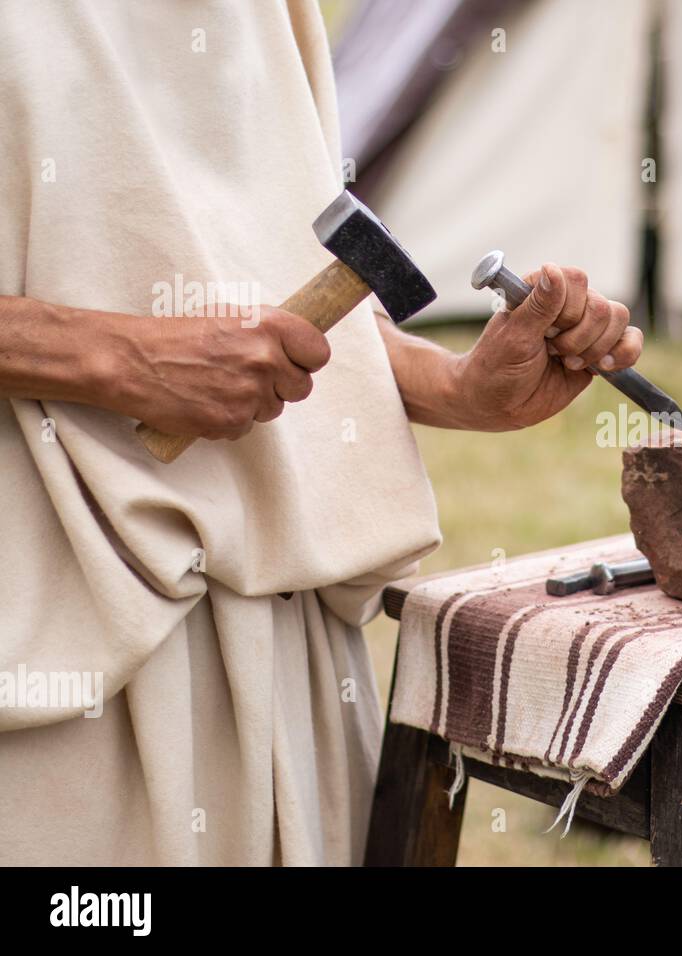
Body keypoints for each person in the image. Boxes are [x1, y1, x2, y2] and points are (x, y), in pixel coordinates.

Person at [0, 0, 640, 864]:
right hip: (56, 626)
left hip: (281, 642)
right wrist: (123, 358)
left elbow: (260, 266)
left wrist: (457, 387)